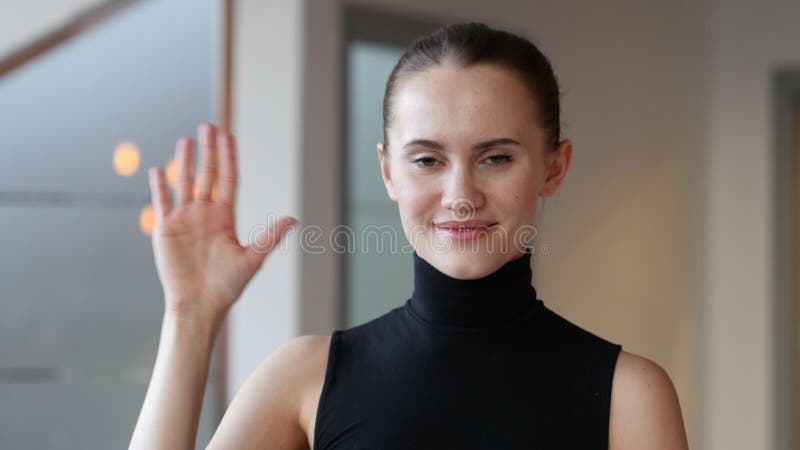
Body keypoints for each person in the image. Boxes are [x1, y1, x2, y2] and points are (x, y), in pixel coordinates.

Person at [130, 22, 688, 450]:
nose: (460, 193)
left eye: (495, 157)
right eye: (427, 159)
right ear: (388, 172)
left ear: (553, 167)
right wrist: (191, 317)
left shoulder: (627, 393)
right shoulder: (306, 378)